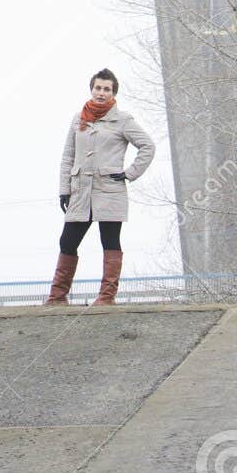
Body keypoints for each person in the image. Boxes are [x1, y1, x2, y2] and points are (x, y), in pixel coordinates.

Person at [42, 67, 155, 307]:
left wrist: (129, 173)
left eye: (107, 89)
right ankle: (57, 297)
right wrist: (64, 189)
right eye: (98, 88)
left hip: (109, 191)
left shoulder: (123, 120)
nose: (101, 93)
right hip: (80, 191)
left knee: (110, 240)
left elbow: (148, 146)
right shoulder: (79, 118)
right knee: (68, 241)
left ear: (113, 93)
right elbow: (67, 156)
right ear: (91, 89)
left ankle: (106, 297)